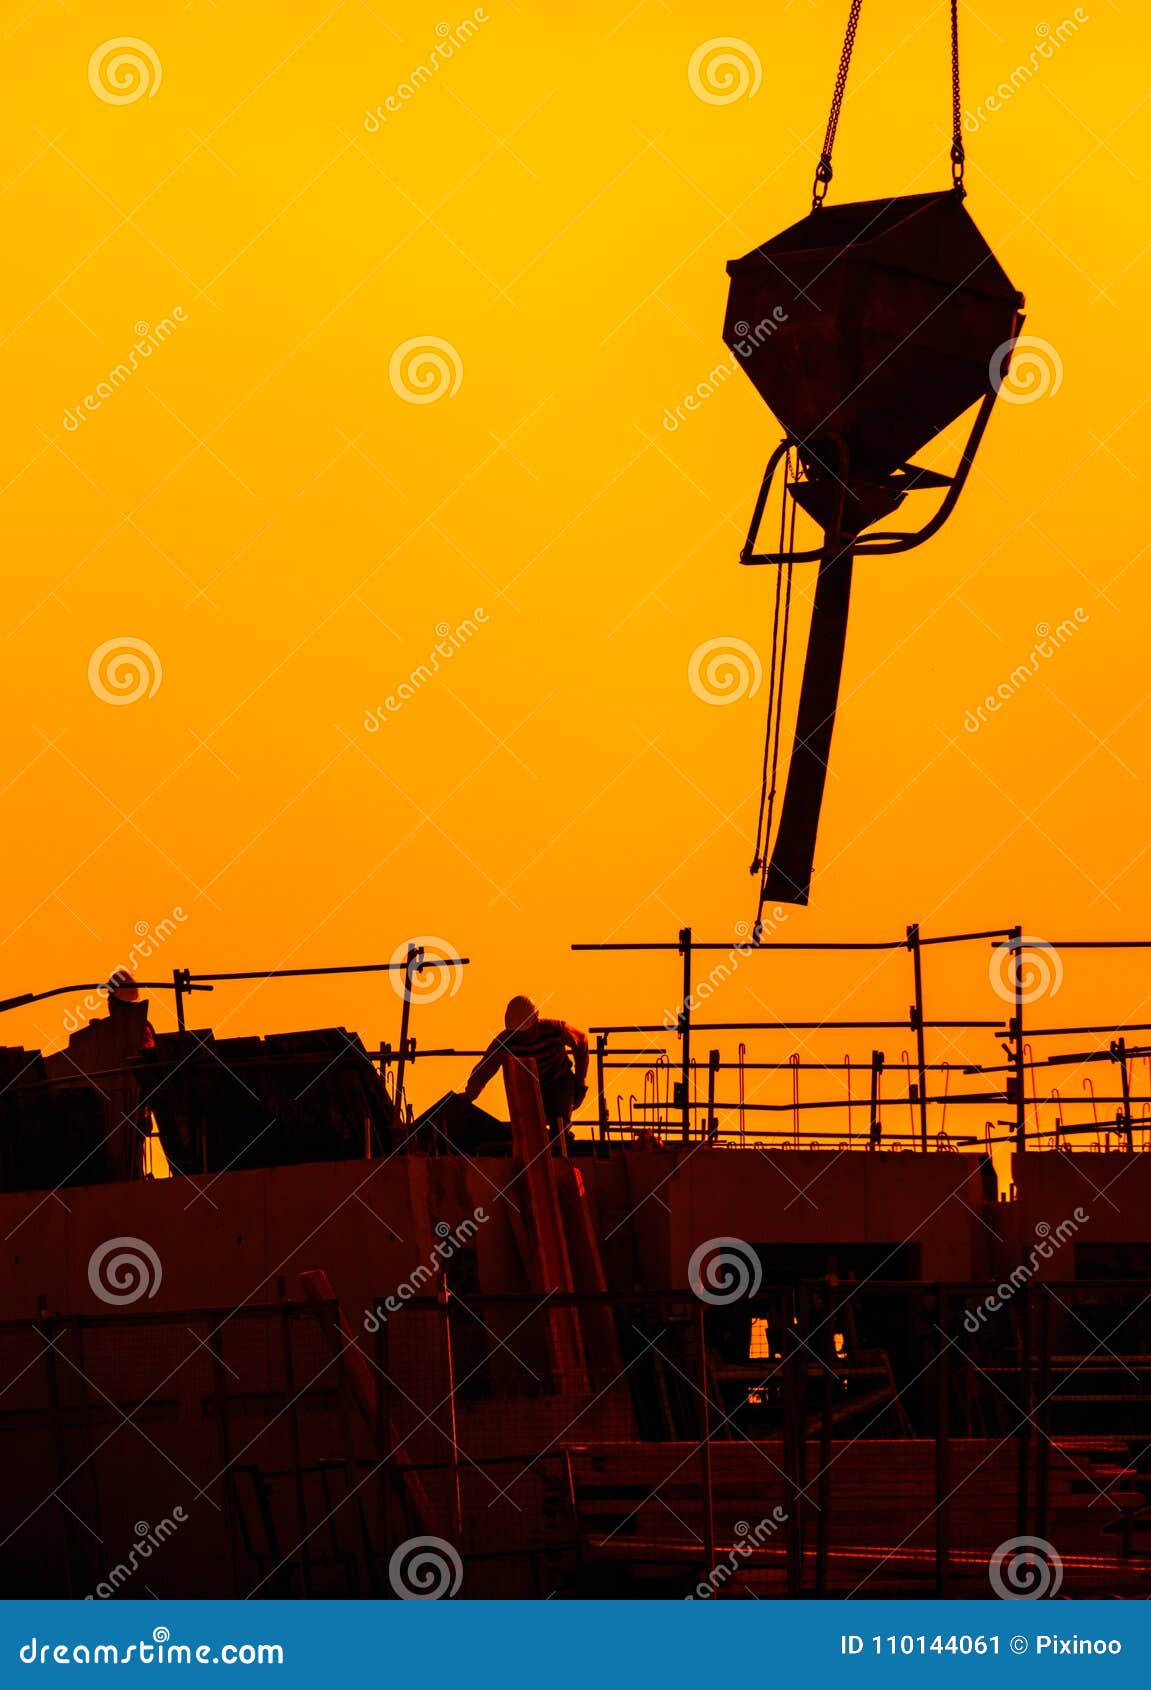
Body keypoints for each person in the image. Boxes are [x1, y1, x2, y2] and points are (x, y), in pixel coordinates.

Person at [464, 996, 589, 1141]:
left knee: (559, 1122)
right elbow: (485, 1068)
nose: (524, 1037)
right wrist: (469, 1094)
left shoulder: (554, 1029)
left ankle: (560, 1134)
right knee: (529, 1129)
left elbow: (581, 1041)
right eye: (519, 1034)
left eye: (527, 1032)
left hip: (558, 1081)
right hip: (528, 1086)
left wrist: (581, 1082)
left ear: (536, 1021)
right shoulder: (506, 1041)